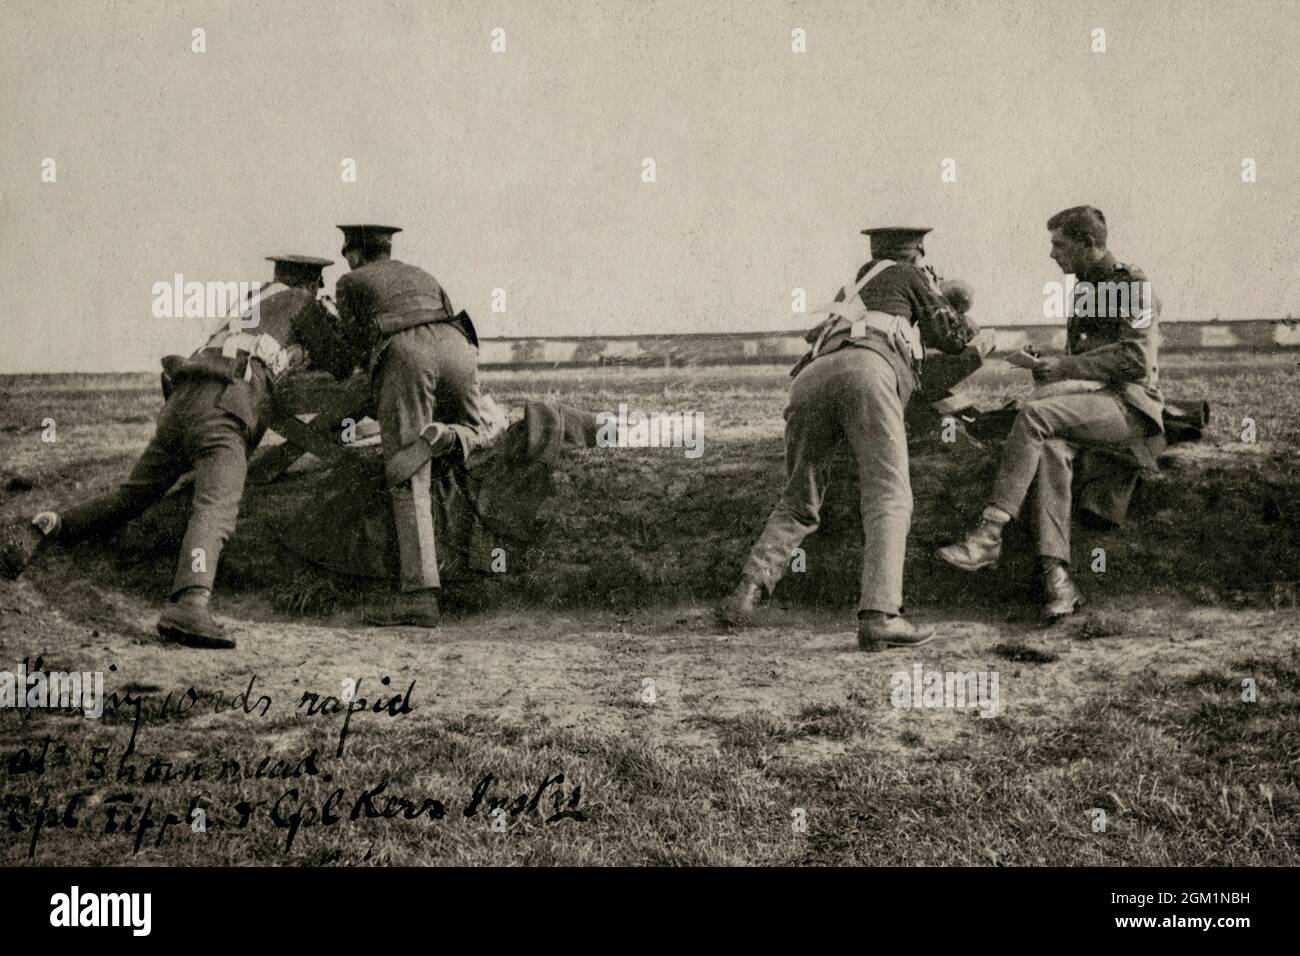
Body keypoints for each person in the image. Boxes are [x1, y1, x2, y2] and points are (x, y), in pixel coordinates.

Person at [0, 255, 343, 648]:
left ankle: (56, 524)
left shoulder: (250, 301)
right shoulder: (302, 301)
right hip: (223, 409)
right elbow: (339, 358)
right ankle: (189, 602)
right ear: (311, 282)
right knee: (215, 507)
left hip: (180, 402)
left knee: (133, 494)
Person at [717, 226, 979, 650]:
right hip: (868, 372)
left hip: (811, 380)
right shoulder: (909, 275)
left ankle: (747, 592)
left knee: (799, 498)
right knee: (889, 496)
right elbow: (954, 339)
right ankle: (880, 615)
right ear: (917, 253)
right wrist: (954, 302)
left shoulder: (852, 289)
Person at [936, 206, 1164, 622]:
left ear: (1088, 244)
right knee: (1050, 448)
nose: (1052, 254)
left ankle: (989, 534)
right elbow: (1091, 357)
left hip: (1130, 409)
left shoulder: (1131, 284)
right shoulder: (1085, 287)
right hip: (1093, 402)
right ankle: (1058, 580)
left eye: (1059, 244)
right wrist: (1052, 362)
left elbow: (1136, 362)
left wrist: (1065, 367)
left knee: (1035, 419)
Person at [333, 224, 493, 627]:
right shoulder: (423, 274)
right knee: (481, 429)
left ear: (355, 253)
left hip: (407, 353)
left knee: (407, 470)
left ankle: (420, 596)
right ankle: (451, 436)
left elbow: (349, 350)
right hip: (458, 347)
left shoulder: (351, 281)